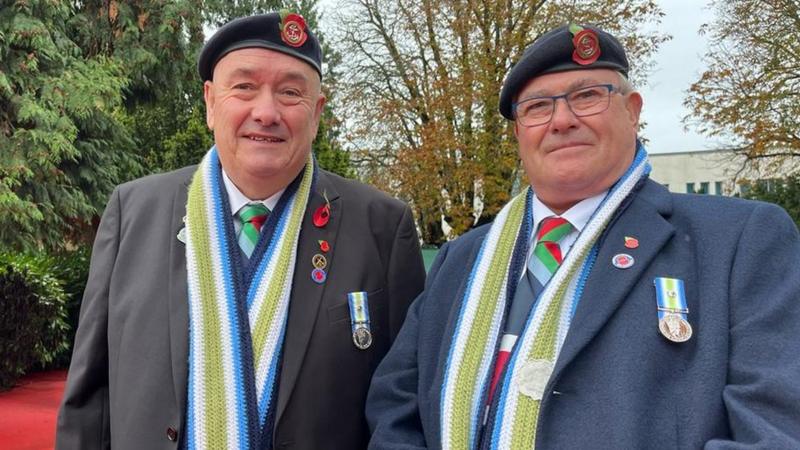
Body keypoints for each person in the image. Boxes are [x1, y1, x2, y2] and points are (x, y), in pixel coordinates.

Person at [366, 23, 800, 449]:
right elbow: (397, 407)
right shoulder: (461, 260)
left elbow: (776, 428)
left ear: (632, 110)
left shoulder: (741, 241)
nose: (562, 120)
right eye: (537, 107)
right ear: (519, 131)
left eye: (587, 96)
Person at [56, 11, 425, 450]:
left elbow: (401, 406)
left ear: (317, 112)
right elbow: (89, 400)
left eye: (290, 92)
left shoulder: (382, 227)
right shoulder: (134, 212)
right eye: (244, 87)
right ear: (211, 102)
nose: (266, 112)